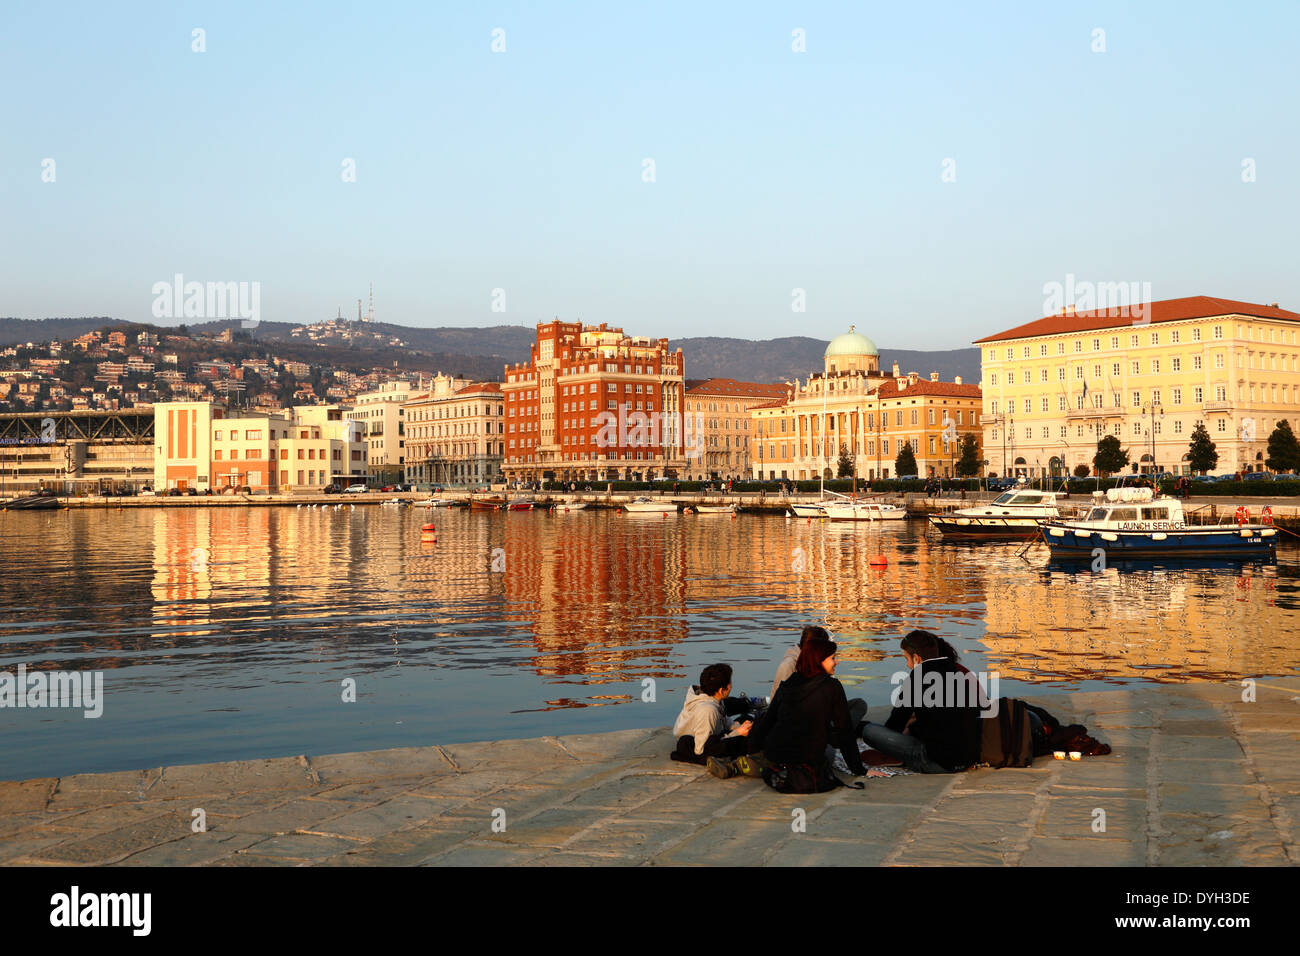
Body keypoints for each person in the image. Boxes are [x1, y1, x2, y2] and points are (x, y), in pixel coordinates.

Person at [714, 637, 867, 790]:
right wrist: (859, 769)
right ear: (819, 660)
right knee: (830, 750)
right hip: (807, 757)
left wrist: (754, 750)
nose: (837, 661)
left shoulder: (789, 683)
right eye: (833, 658)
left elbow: (767, 721)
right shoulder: (832, 686)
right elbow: (844, 730)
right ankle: (757, 763)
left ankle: (756, 761)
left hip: (777, 753)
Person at [858, 630, 983, 774]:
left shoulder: (917, 677)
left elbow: (895, 724)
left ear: (916, 658)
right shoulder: (956, 670)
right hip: (967, 759)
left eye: (906, 659)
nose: (907, 665)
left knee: (869, 730)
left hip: (935, 763)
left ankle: (899, 757)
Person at [669, 664, 754, 766]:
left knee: (748, 719)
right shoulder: (708, 710)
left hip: (712, 736)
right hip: (697, 744)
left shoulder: (715, 698)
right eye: (730, 682)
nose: (731, 685)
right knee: (743, 742)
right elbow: (701, 750)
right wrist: (737, 734)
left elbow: (726, 721)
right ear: (721, 690)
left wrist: (740, 727)